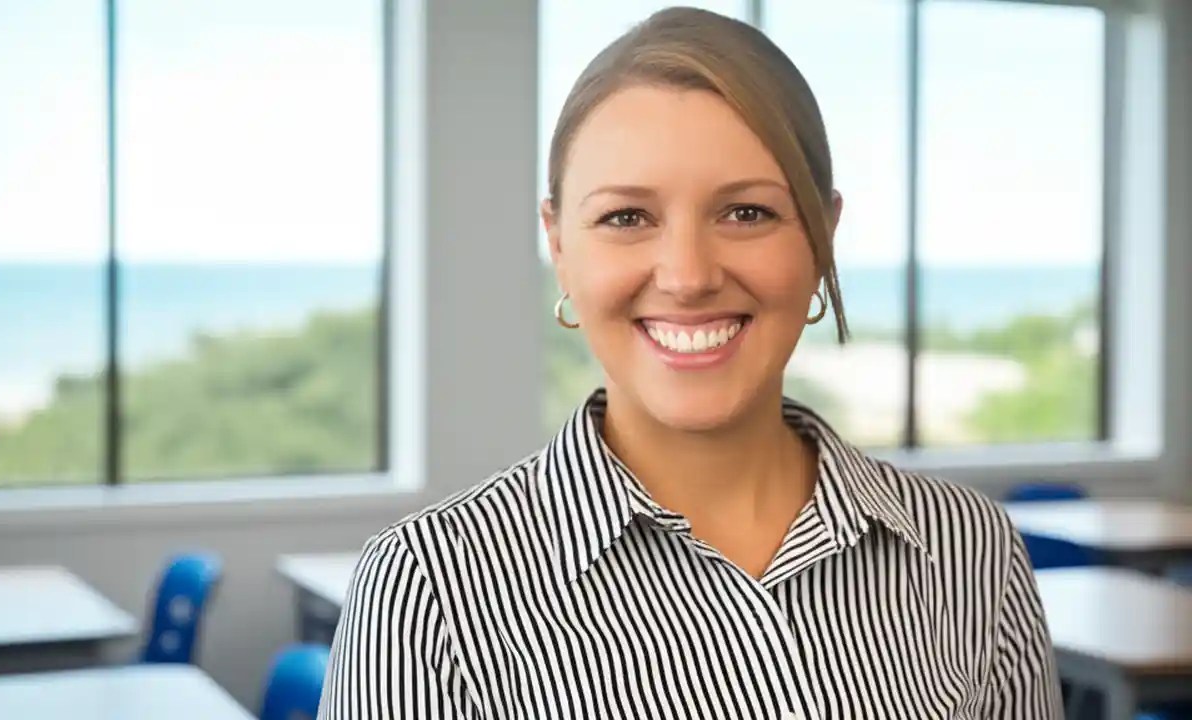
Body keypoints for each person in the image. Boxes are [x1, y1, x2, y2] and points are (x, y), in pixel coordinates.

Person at [320, 7, 1060, 719]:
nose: (687, 275)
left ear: (822, 238)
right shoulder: (426, 592)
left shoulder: (973, 553)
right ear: (559, 247)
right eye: (626, 218)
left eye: (747, 213)